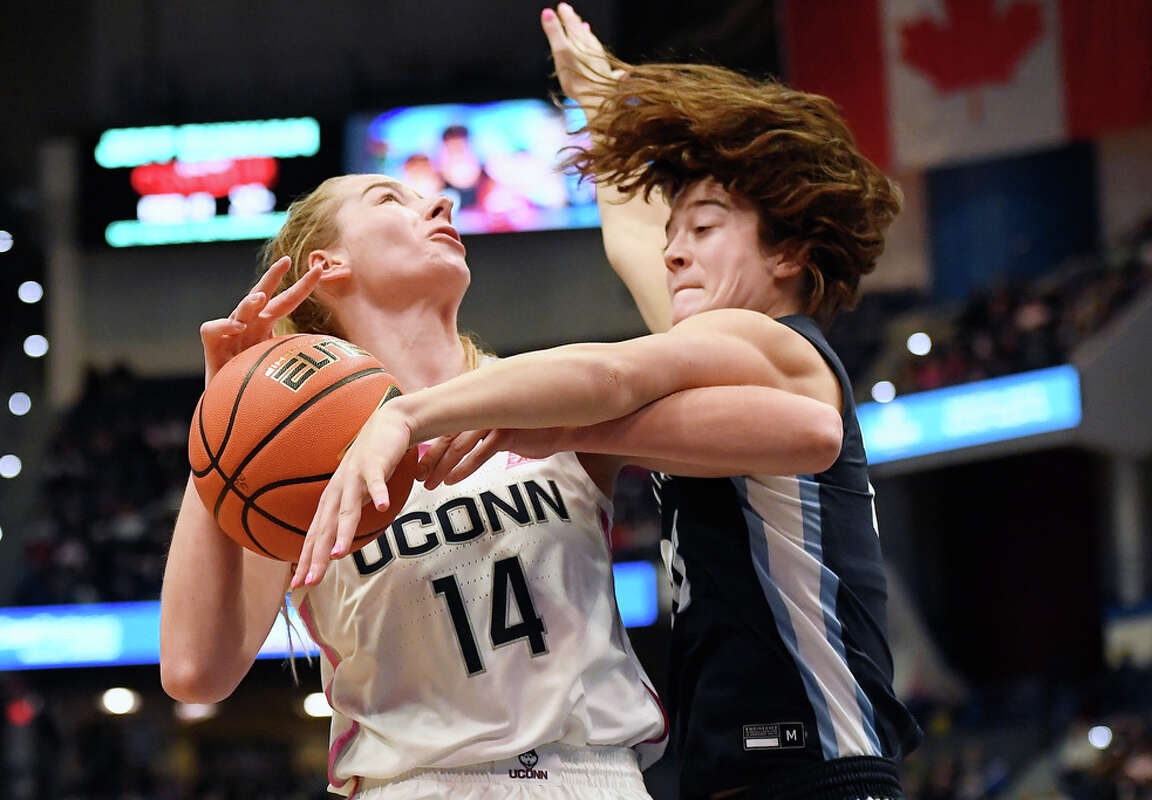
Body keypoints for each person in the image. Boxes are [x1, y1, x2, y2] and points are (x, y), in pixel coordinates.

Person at [292, 5, 923, 799]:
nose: (675, 249)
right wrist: (599, 105)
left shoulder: (776, 343)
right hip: (738, 767)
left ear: (789, 253)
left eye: (703, 225)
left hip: (819, 767)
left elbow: (612, 376)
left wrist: (415, 412)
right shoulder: (721, 355)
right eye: (675, 233)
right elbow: (631, 238)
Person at [159, 164, 841, 797]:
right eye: (390, 199)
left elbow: (806, 432)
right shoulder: (292, 457)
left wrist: (568, 428)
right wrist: (226, 420)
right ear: (326, 263)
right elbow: (195, 671)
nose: (439, 200)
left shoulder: (543, 396)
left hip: (591, 775)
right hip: (413, 783)